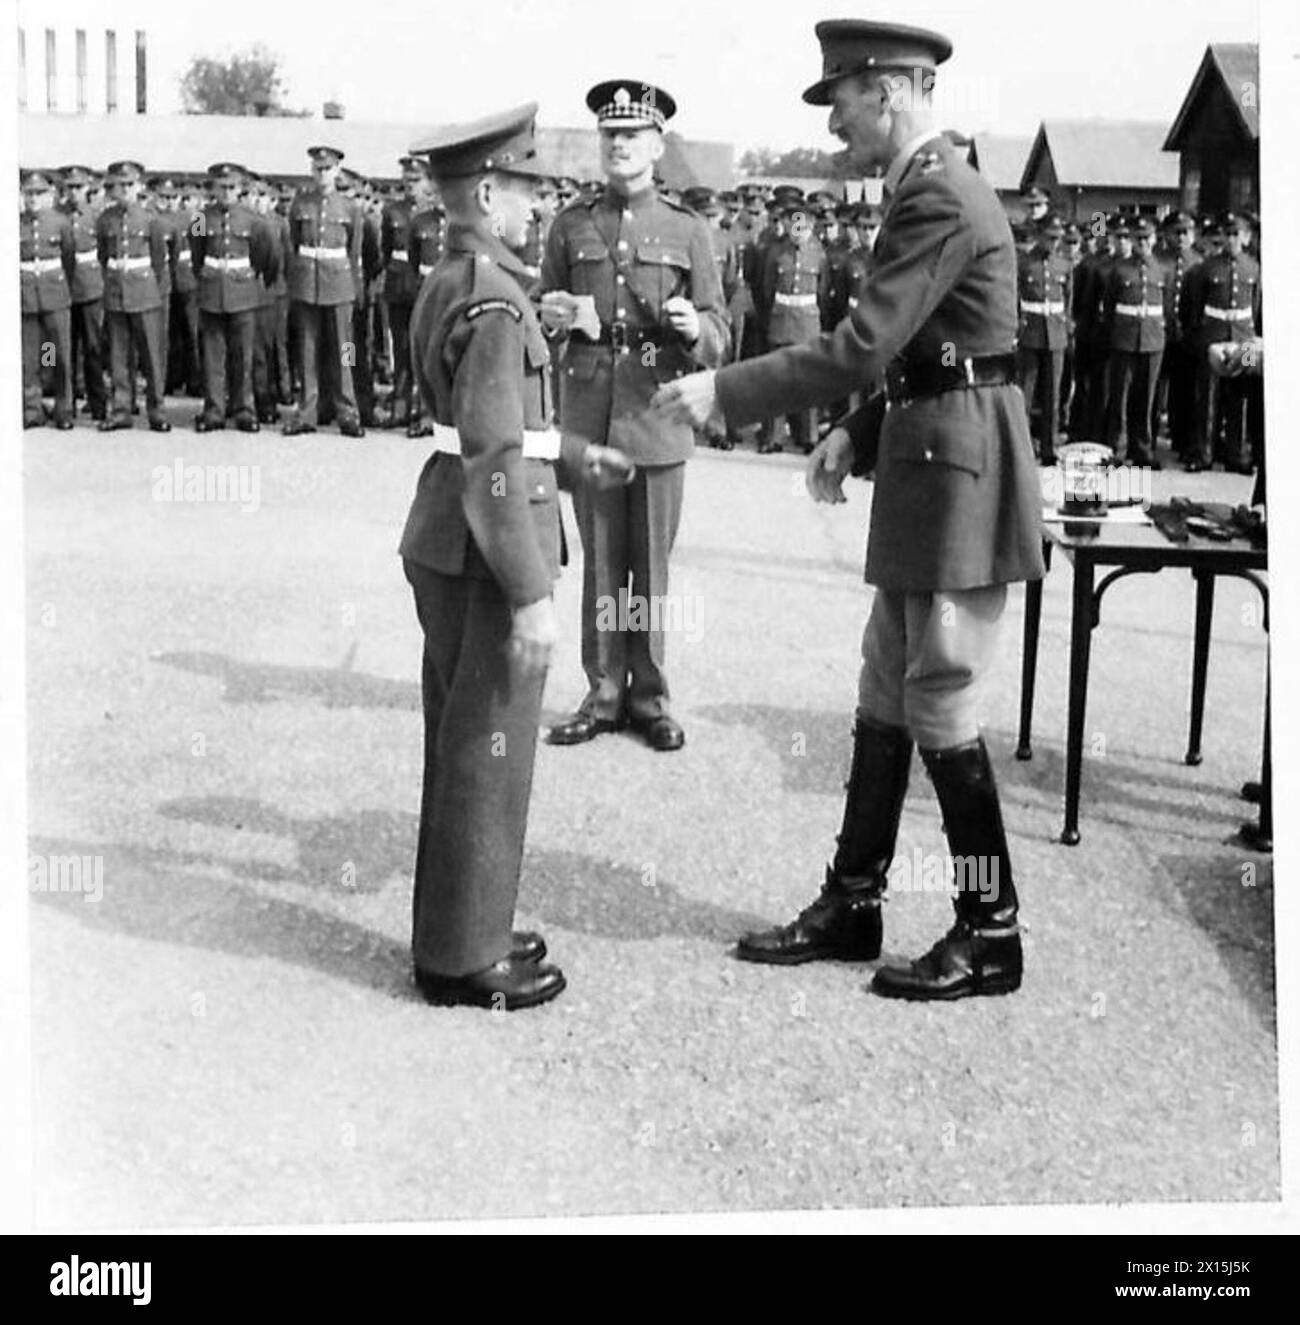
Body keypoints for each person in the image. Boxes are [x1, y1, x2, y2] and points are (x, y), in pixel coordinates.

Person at [653, 19, 1044, 1001]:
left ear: (892, 90)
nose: (833, 125)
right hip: (929, 459)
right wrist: (859, 430)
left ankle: (990, 928)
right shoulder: (923, 188)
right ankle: (854, 900)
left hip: (958, 476)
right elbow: (932, 350)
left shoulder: (939, 192)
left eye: (841, 101)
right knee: (886, 688)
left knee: (941, 694)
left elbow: (867, 341)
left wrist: (725, 390)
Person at [399, 103, 634, 1010]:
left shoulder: (461, 278)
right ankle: (464, 957)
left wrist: (571, 455)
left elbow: (491, 430)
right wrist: (532, 595)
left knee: (464, 738)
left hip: (452, 536)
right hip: (487, 547)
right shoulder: (496, 299)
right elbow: (492, 453)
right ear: (487, 193)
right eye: (527, 189)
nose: (539, 206)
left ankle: (463, 927)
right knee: (486, 749)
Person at [538, 79, 728, 752]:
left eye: (632, 135)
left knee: (649, 568)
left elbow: (720, 328)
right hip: (591, 411)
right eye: (610, 134)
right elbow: (541, 312)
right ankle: (602, 692)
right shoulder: (571, 224)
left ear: (657, 145)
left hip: (657, 411)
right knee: (601, 561)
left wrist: (695, 327)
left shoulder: (687, 227)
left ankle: (649, 696)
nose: (619, 145)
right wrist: (557, 317)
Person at [283, 145, 365, 437]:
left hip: (340, 283)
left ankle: (348, 411)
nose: (322, 174)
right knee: (307, 349)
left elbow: (355, 252)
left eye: (328, 169)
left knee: (345, 350)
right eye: (318, 169)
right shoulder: (300, 204)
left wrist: (356, 288)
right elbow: (294, 244)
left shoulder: (350, 208)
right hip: (307, 283)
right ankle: (307, 412)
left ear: (337, 171)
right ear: (311, 171)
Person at [190, 162, 278, 433]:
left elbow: (266, 255)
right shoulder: (200, 218)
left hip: (243, 293)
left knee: (243, 357)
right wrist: (205, 275)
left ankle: (244, 409)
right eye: (222, 187)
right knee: (212, 357)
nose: (226, 192)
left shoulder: (255, 220)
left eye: (232, 187)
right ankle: (213, 410)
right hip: (211, 292)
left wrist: (252, 276)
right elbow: (196, 252)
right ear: (214, 189)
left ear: (240, 189)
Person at [96, 160, 171, 433]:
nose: (125, 190)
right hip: (117, 293)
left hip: (145, 293)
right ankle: (121, 410)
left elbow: (160, 261)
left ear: (139, 186)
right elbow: (103, 256)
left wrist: (152, 290)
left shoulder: (152, 219)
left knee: (151, 357)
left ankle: (157, 410)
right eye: (120, 185)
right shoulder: (105, 219)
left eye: (129, 184)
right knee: (118, 356)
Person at [1184, 213, 1260, 473]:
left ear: (1246, 238)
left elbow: (1256, 307)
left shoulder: (1254, 268)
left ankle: (1239, 455)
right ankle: (1203, 453)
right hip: (1213, 337)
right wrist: (1201, 338)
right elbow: (1194, 308)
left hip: (1245, 340)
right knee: (1207, 397)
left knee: (1242, 397)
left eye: (1236, 234)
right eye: (1227, 234)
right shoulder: (1205, 268)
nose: (1231, 239)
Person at [755, 197, 827, 453]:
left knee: (808, 381)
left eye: (803, 229)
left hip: (807, 323)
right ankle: (773, 437)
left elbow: (824, 291)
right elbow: (766, 289)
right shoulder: (776, 252)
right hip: (781, 321)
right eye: (794, 229)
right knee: (776, 379)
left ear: (811, 228)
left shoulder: (820, 254)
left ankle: (809, 436)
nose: (798, 234)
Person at [20, 170, 76, 429]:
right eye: (29, 193)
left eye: (38, 193)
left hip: (54, 297)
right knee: (30, 357)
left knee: (57, 354)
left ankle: (63, 409)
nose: (33, 198)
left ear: (49, 195)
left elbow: (68, 258)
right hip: (27, 298)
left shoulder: (60, 222)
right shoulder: (16, 222)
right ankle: (33, 409)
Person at [1015, 212, 1070, 465]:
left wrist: (1067, 329)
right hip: (1030, 333)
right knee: (1025, 394)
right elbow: (1015, 299)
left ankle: (1049, 447)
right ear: (1039, 236)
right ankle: (1023, 447)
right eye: (1050, 238)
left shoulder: (1064, 265)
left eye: (1058, 238)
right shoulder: (1025, 263)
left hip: (1056, 335)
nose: (1054, 243)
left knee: (1052, 395)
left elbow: (1069, 301)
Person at [57, 165, 109, 422]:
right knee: (59, 349)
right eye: (70, 187)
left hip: (90, 289)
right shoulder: (55, 216)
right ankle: (64, 404)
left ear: (87, 188)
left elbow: (105, 251)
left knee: (93, 348)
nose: (74, 192)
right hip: (61, 290)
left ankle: (97, 403)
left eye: (79, 187)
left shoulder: (97, 216)